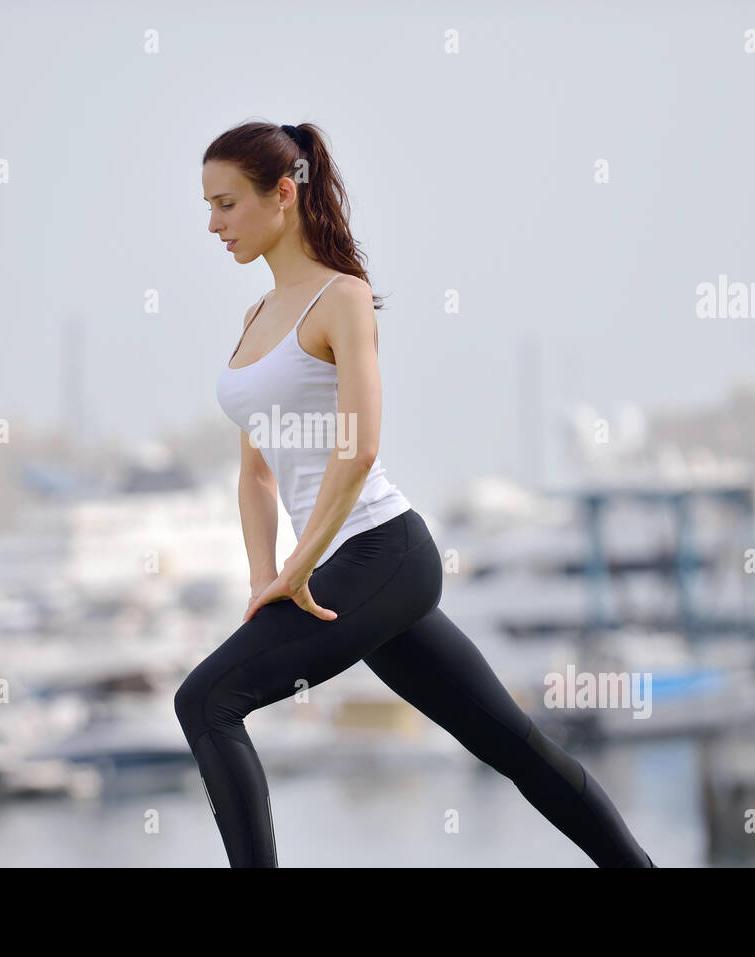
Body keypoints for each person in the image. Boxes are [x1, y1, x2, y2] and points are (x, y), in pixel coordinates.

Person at [177, 119, 657, 868]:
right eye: (207, 206)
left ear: (282, 195)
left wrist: (298, 566)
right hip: (332, 570)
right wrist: (262, 575)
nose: (212, 224)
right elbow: (258, 471)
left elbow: (360, 447)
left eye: (226, 204)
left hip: (382, 552)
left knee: (205, 702)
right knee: (517, 747)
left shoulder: (343, 299)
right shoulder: (254, 318)